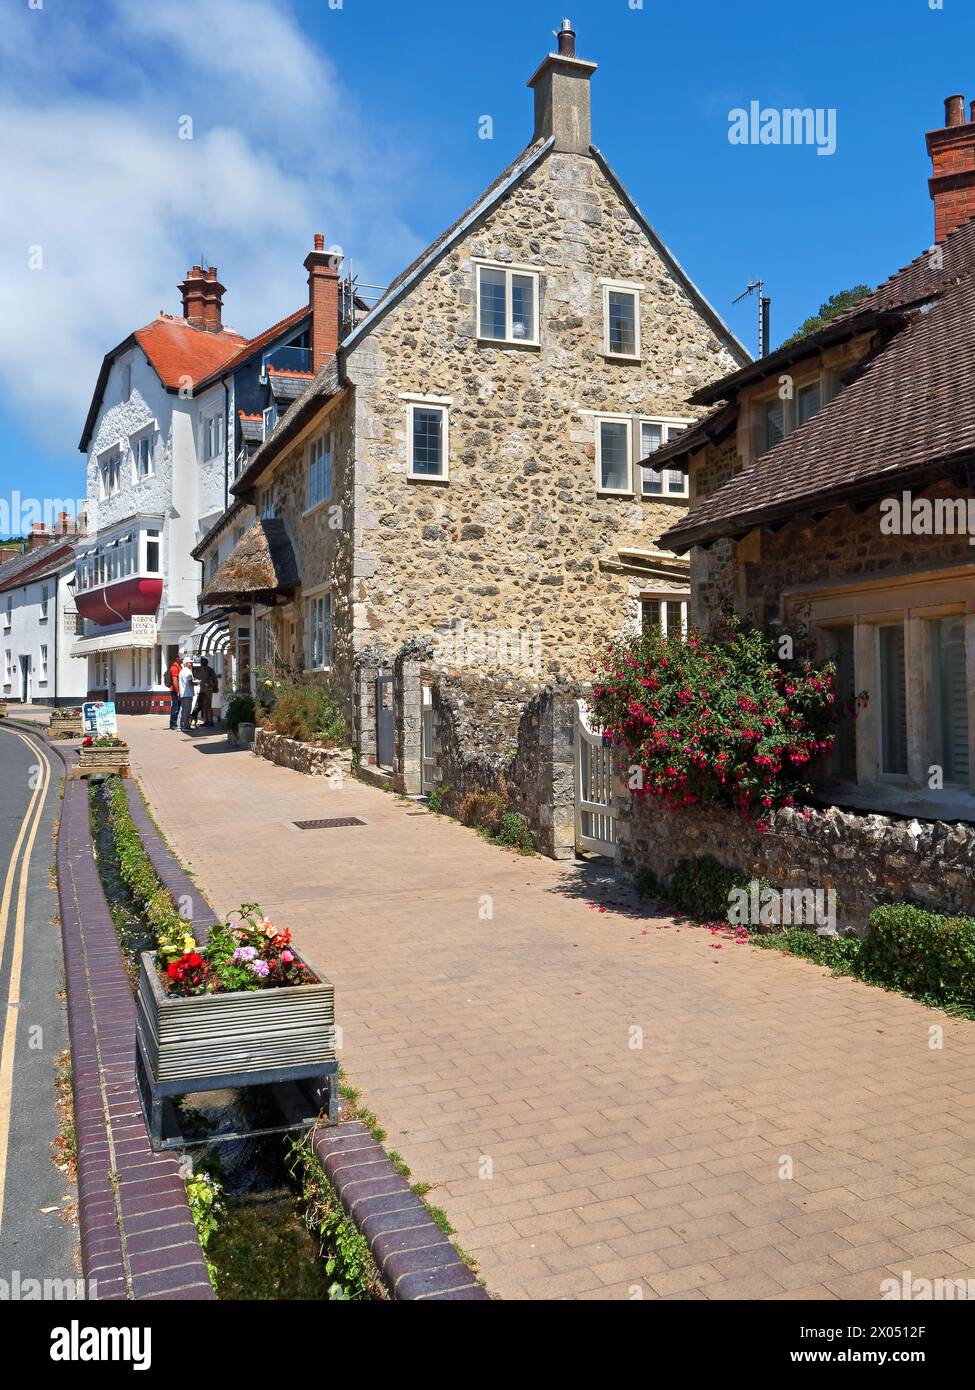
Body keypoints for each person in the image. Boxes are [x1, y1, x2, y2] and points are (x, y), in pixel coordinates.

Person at [196, 658, 219, 727]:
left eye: (203, 663)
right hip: (202, 690)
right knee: (203, 706)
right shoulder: (201, 670)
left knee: (209, 706)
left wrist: (210, 685)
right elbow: (199, 678)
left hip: (208, 691)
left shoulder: (210, 670)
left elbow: (215, 680)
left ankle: (211, 721)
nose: (202, 664)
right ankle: (206, 721)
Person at [178, 657, 198, 733]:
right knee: (187, 710)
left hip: (183, 693)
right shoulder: (188, 672)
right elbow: (190, 682)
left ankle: (180, 725)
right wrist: (196, 683)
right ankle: (185, 726)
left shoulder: (182, 671)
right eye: (190, 663)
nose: (191, 664)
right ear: (186, 664)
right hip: (188, 693)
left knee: (182, 710)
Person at [168, 655, 182, 730]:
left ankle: (175, 723)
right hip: (175, 690)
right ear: (177, 658)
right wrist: (178, 691)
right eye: (181, 657)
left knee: (178, 707)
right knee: (175, 707)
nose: (182, 658)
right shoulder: (174, 667)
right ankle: (173, 724)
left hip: (177, 690)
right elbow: (174, 680)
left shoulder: (179, 666)